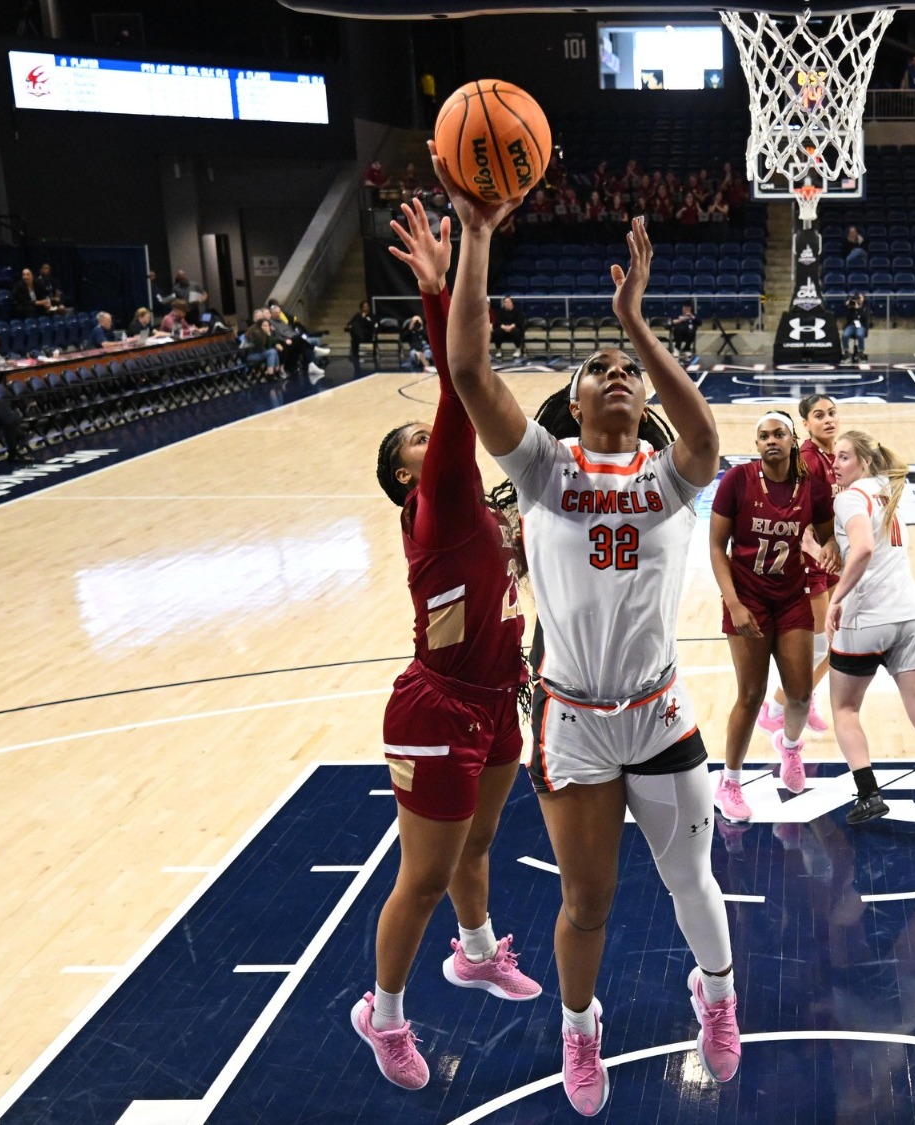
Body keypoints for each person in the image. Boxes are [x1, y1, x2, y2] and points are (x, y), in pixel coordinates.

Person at [434, 150, 739, 1115]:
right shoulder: (542, 467)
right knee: (588, 903)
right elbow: (471, 367)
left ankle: (717, 996)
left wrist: (636, 326)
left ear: (643, 394)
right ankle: (580, 1031)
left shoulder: (668, 475)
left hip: (658, 712)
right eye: (598, 369)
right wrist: (480, 237)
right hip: (572, 719)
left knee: (691, 877)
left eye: (627, 373)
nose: (615, 376)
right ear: (572, 401)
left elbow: (707, 442)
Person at [351, 198, 543, 1091]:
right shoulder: (436, 504)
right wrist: (443, 284)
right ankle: (382, 1013)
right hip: (433, 705)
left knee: (482, 840)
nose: (435, 443)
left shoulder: (471, 506)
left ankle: (473, 954)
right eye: (419, 445)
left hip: (496, 696)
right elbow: (459, 386)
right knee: (421, 875)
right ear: (404, 473)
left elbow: (459, 398)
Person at [824, 429, 915, 835]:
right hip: (911, 615)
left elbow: (864, 549)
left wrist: (836, 599)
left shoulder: (850, 497)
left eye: (845, 457)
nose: (836, 464)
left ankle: (869, 795)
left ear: (864, 462)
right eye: (835, 457)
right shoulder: (891, 492)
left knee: (845, 709)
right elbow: (865, 551)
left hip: (867, 618)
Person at [709, 410, 837, 825]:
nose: (770, 441)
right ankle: (729, 782)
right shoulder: (737, 481)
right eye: (763, 435)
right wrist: (733, 602)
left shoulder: (812, 488)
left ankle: (789, 745)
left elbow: (827, 538)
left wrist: (832, 554)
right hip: (748, 597)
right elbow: (715, 546)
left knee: (799, 695)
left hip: (792, 595)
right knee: (750, 694)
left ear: (792, 438)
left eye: (778, 434)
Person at [763, 392, 845, 735]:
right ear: (806, 424)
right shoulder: (808, 460)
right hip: (811, 561)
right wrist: (809, 546)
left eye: (831, 413)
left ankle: (803, 698)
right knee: (820, 645)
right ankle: (778, 705)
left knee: (837, 640)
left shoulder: (835, 456)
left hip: (834, 555)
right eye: (819, 415)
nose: (827, 419)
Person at [838, 293, 869, 361]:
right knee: (845, 335)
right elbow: (848, 317)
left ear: (863, 299)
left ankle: (861, 352)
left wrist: (859, 309)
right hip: (851, 325)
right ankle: (846, 351)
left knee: (859, 334)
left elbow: (865, 318)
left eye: (861, 298)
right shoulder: (851, 307)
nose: (859, 299)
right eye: (858, 298)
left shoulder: (865, 307)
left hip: (861, 325)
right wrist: (850, 307)